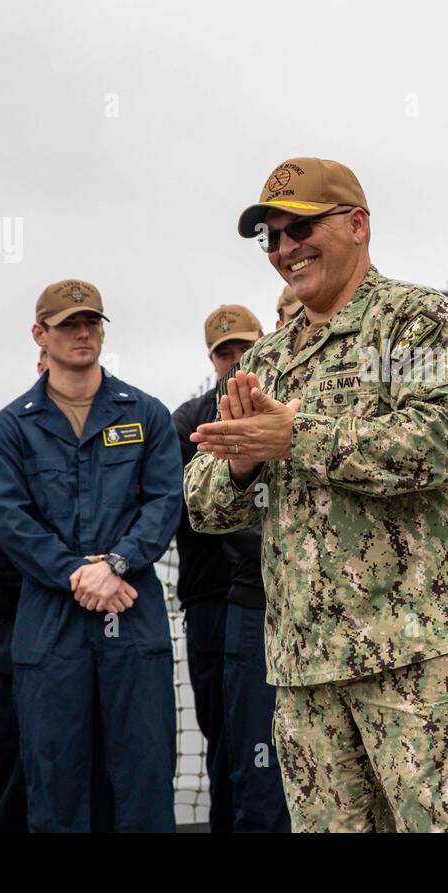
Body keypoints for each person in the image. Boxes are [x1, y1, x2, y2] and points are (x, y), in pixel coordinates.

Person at [186, 156, 448, 832]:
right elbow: (205, 505)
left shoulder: (419, 323)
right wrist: (245, 463)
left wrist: (292, 434)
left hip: (423, 656)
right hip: (308, 671)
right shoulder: (267, 361)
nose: (283, 250)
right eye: (270, 236)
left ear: (357, 224)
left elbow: (443, 441)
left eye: (300, 227)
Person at [0, 280, 183, 832]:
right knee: (56, 779)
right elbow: (9, 521)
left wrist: (115, 564)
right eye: (68, 324)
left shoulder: (145, 414)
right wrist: (80, 573)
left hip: (131, 608)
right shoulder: (11, 427)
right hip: (51, 623)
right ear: (39, 335)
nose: (82, 333)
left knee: (144, 775)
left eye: (91, 323)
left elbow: (166, 502)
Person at [170, 303, 267, 832]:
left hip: (268, 603)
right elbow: (186, 505)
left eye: (244, 348)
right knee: (224, 742)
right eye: (225, 352)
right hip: (210, 600)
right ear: (211, 357)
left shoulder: (282, 412)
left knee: (273, 745)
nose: (235, 361)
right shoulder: (188, 422)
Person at [0, 347, 46, 833]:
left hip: (98, 626)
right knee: (14, 761)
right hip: (20, 624)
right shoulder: (8, 433)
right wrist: (66, 579)